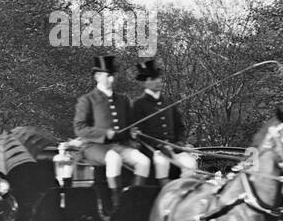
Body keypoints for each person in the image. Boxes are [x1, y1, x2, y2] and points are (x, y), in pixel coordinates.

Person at [73, 55, 150, 196]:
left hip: (120, 145)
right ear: (97, 76)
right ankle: (117, 202)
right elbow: (80, 128)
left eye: (112, 75)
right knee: (114, 158)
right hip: (94, 148)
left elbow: (130, 125)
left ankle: (133, 197)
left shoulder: (123, 99)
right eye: (108, 76)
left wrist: (132, 132)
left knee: (144, 161)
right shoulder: (87, 100)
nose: (112, 79)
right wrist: (105, 133)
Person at [130, 59, 198, 181]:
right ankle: (166, 195)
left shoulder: (168, 101)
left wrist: (180, 142)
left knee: (190, 163)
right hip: (153, 151)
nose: (158, 81)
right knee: (162, 163)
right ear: (145, 83)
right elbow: (140, 134)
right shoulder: (138, 104)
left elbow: (179, 126)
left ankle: (182, 193)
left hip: (174, 149)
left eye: (158, 78)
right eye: (153, 79)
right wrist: (158, 146)